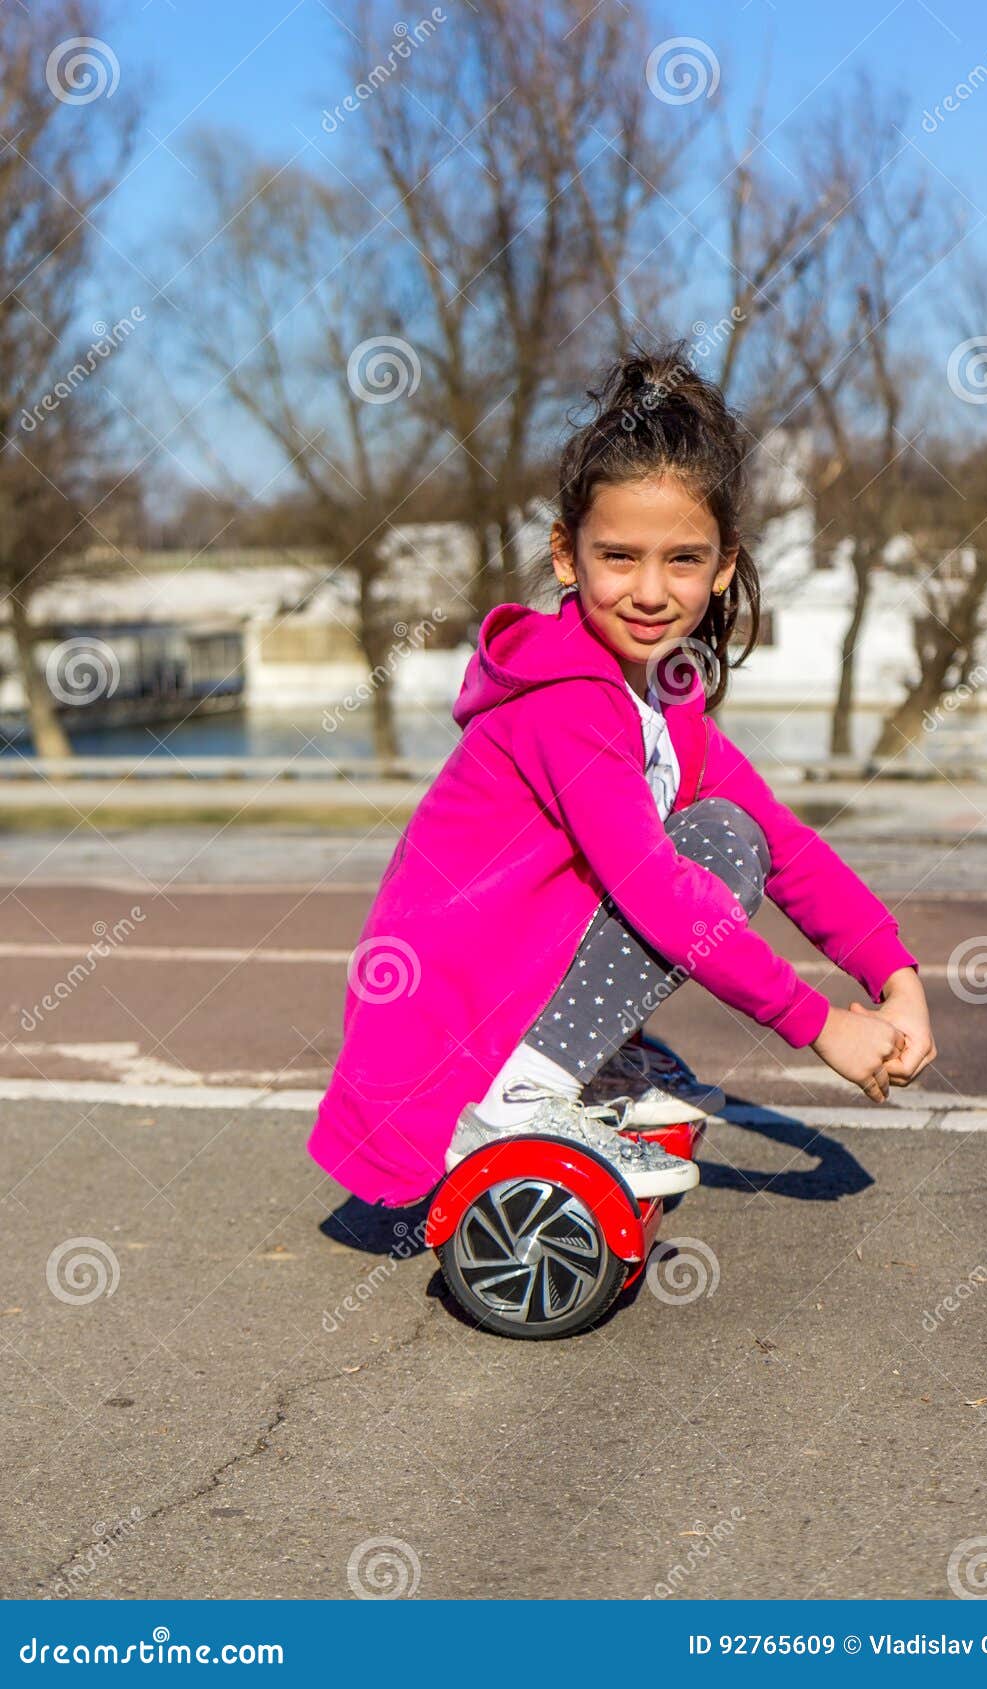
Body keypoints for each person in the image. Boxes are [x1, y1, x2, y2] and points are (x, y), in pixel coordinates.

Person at [309, 342, 936, 1210]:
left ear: (722, 568)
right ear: (566, 555)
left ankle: (568, 1062)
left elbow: (783, 846)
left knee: (730, 833)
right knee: (697, 859)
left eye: (682, 559)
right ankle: (522, 1096)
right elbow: (652, 893)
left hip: (502, 982)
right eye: (618, 557)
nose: (649, 591)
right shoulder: (567, 701)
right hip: (446, 1019)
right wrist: (816, 1023)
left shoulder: (660, 698)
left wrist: (894, 978)